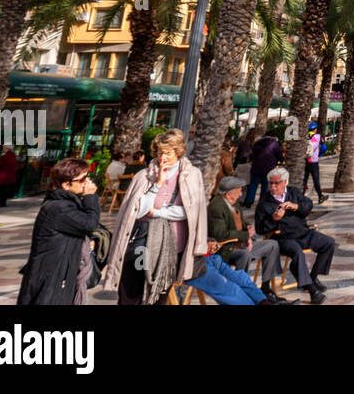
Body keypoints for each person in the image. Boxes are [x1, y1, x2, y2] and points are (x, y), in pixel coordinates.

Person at [101, 128, 208, 305]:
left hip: (172, 245)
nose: (162, 157)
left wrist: (157, 212)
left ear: (178, 152)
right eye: (159, 152)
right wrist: (157, 184)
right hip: (141, 243)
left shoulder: (192, 175)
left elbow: (189, 211)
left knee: (160, 292)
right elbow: (140, 211)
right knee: (131, 289)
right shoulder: (143, 176)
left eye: (167, 153)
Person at [17, 158, 101, 305]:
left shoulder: (66, 203)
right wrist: (90, 197)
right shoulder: (59, 208)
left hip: (57, 272)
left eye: (87, 177)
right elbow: (89, 223)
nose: (87, 183)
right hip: (51, 276)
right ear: (66, 185)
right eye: (82, 180)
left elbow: (80, 226)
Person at [255, 167, 335, 304]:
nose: (273, 186)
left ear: (285, 182)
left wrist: (296, 206)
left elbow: (308, 205)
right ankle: (312, 291)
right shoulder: (264, 202)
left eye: (276, 183)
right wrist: (273, 219)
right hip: (282, 238)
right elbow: (260, 228)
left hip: (303, 232)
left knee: (329, 242)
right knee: (297, 252)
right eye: (271, 183)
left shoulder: (293, 192)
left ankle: (313, 276)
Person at [207, 176, 288, 301]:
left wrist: (248, 228)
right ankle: (240, 291)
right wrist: (246, 236)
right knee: (245, 254)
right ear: (229, 194)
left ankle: (265, 289)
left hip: (242, 244)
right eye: (239, 191)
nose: (240, 194)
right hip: (226, 248)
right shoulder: (216, 207)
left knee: (272, 245)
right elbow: (221, 234)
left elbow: (240, 223)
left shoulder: (235, 204)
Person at [246, 131, 282, 207]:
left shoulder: (257, 143)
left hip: (256, 168)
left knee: (253, 185)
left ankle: (249, 202)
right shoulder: (274, 143)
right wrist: (280, 160)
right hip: (268, 169)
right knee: (265, 186)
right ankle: (262, 202)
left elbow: (252, 155)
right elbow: (279, 154)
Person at [302, 122, 328, 203]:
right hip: (314, 162)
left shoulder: (305, 137)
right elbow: (324, 148)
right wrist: (318, 155)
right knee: (316, 180)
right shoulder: (318, 136)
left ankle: (300, 198)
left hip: (305, 161)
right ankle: (320, 197)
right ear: (315, 129)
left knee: (304, 181)